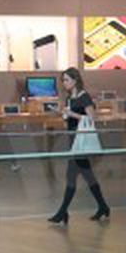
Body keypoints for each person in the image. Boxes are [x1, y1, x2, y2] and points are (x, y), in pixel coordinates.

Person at [47, 67, 110, 224]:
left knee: (71, 176)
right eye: (63, 80)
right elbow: (69, 119)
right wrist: (62, 113)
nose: (64, 83)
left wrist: (72, 114)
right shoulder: (70, 98)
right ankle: (103, 206)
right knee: (88, 176)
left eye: (67, 80)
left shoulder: (84, 97)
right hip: (73, 140)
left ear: (75, 80)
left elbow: (92, 118)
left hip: (81, 141)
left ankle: (62, 212)